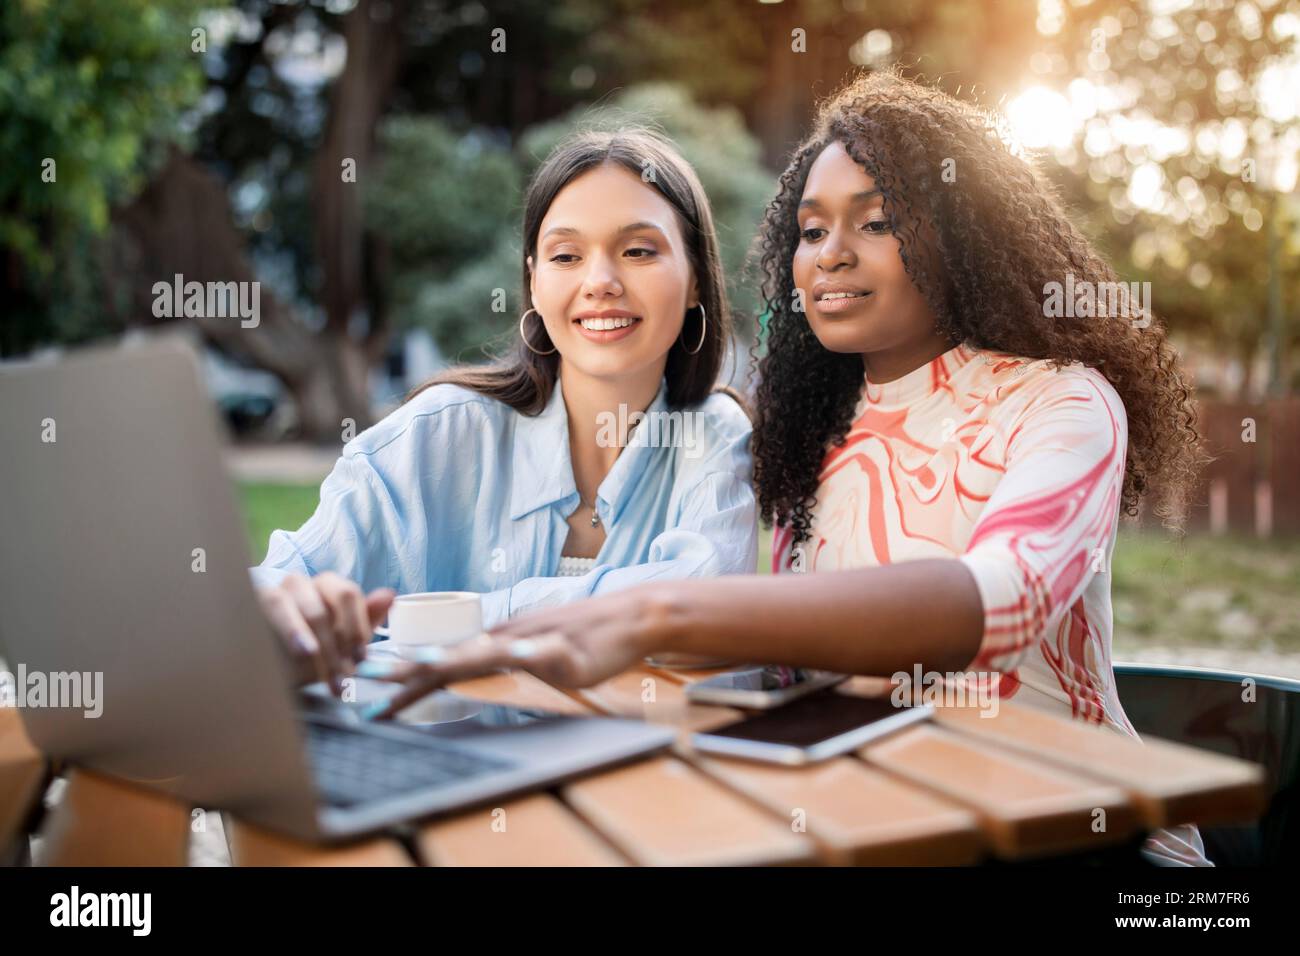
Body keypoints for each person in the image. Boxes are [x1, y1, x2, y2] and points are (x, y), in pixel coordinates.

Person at [373, 73, 1211, 866]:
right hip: (879, 829)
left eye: (876, 222)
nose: (831, 255)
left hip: (1083, 838)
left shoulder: (1063, 404)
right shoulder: (799, 433)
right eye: (812, 230)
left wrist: (657, 612)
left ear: (964, 236)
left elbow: (1004, 597)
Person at [250, 128, 757, 694]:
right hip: (432, 771)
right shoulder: (435, 436)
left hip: (627, 775)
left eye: (638, 250)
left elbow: (706, 607)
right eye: (566, 255)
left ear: (694, 282)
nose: (601, 283)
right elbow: (271, 588)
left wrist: (456, 624)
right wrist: (274, 602)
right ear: (534, 282)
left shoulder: (711, 434)